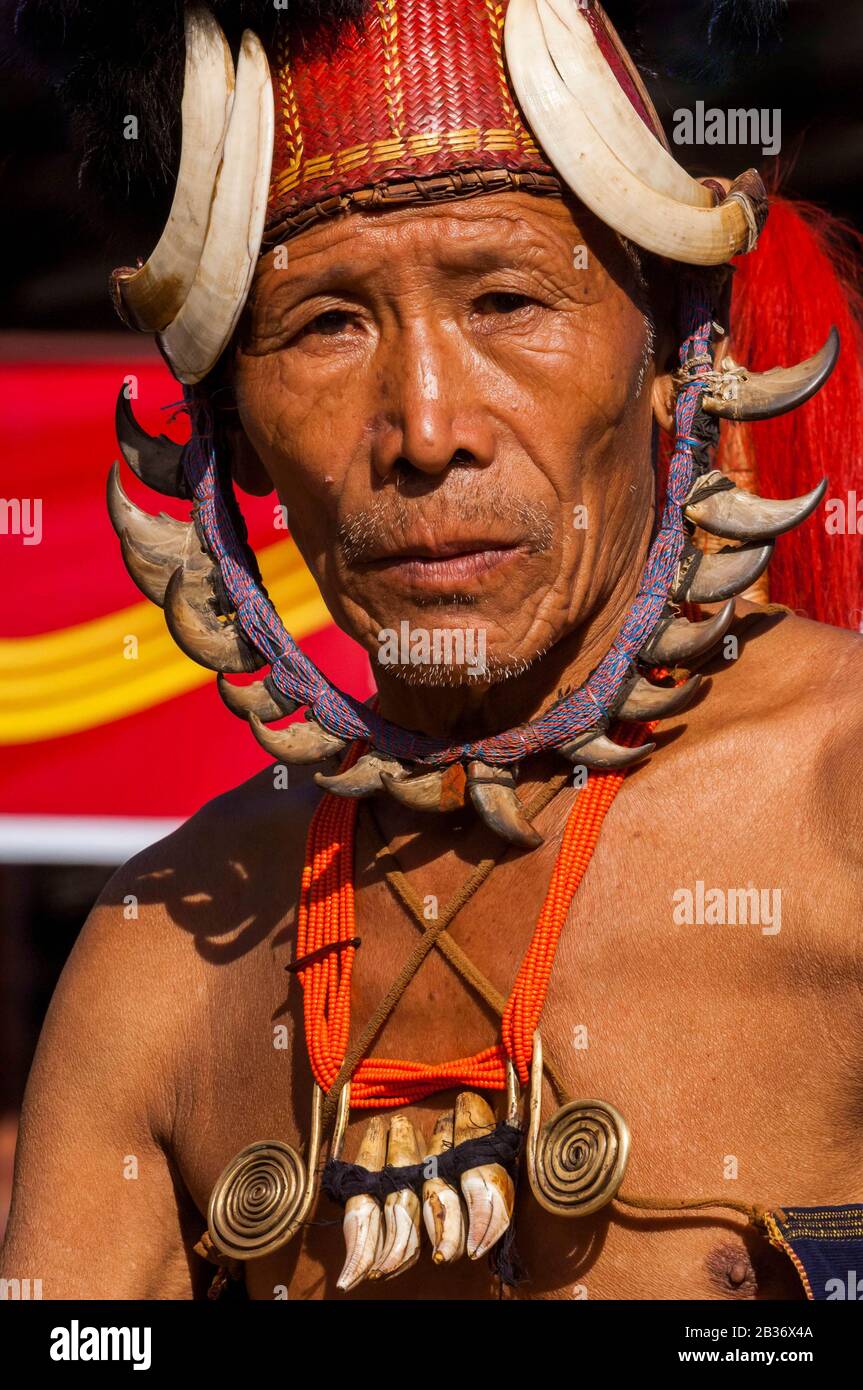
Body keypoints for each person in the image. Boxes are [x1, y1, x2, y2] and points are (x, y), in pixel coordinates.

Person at [3, 0, 863, 1301]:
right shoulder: (159, 965)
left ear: (675, 355)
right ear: (230, 429)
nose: (423, 427)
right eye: (325, 325)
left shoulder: (843, 814)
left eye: (508, 298)